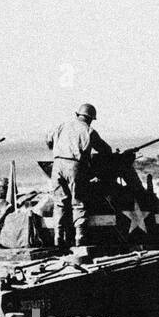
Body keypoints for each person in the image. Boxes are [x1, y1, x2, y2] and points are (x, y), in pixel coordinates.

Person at [45, 102, 113, 248]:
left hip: (56, 166)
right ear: (90, 118)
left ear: (77, 115)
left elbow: (48, 140)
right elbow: (105, 149)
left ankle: (58, 236)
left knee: (59, 203)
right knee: (78, 202)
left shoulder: (62, 126)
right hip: (75, 167)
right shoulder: (89, 130)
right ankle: (79, 237)